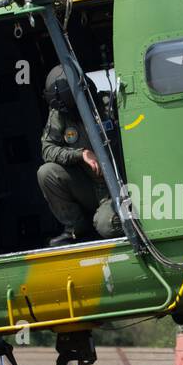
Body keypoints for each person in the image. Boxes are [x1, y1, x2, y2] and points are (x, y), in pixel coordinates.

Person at [37, 65, 122, 247]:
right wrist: (80, 154)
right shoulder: (59, 114)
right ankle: (75, 228)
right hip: (89, 186)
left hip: (117, 188)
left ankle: (106, 219)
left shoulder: (110, 106)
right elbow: (47, 149)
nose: (67, 111)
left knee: (107, 226)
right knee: (46, 173)